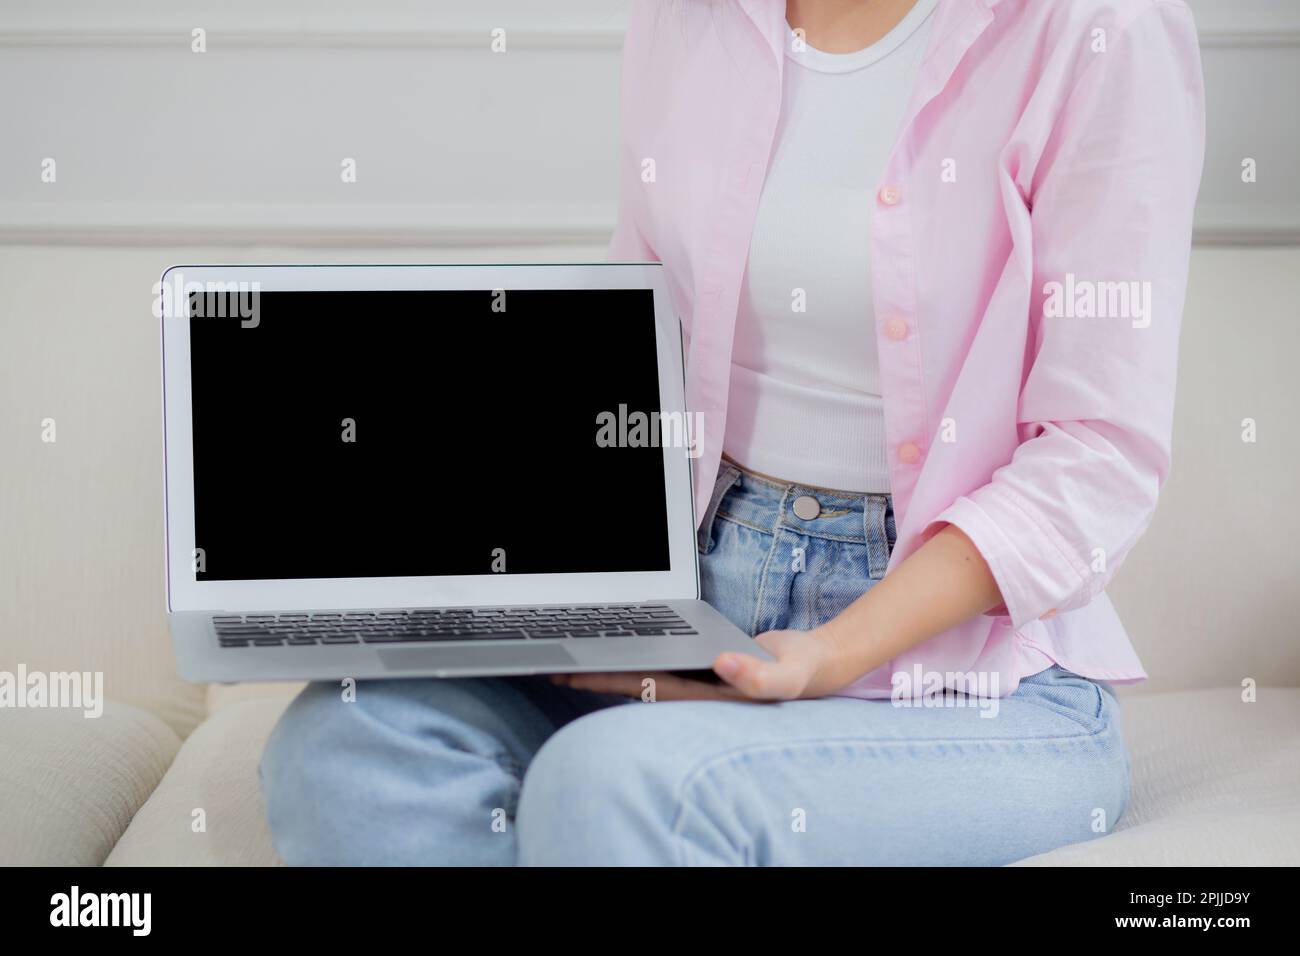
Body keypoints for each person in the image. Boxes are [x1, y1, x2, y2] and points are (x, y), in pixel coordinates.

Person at [261, 0, 1206, 865]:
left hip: (972, 673)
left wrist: (833, 652)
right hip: (697, 602)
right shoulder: (687, 15)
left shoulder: (1101, 25)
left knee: (613, 787)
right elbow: (644, 337)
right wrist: (544, 581)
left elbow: (1099, 457)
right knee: (345, 748)